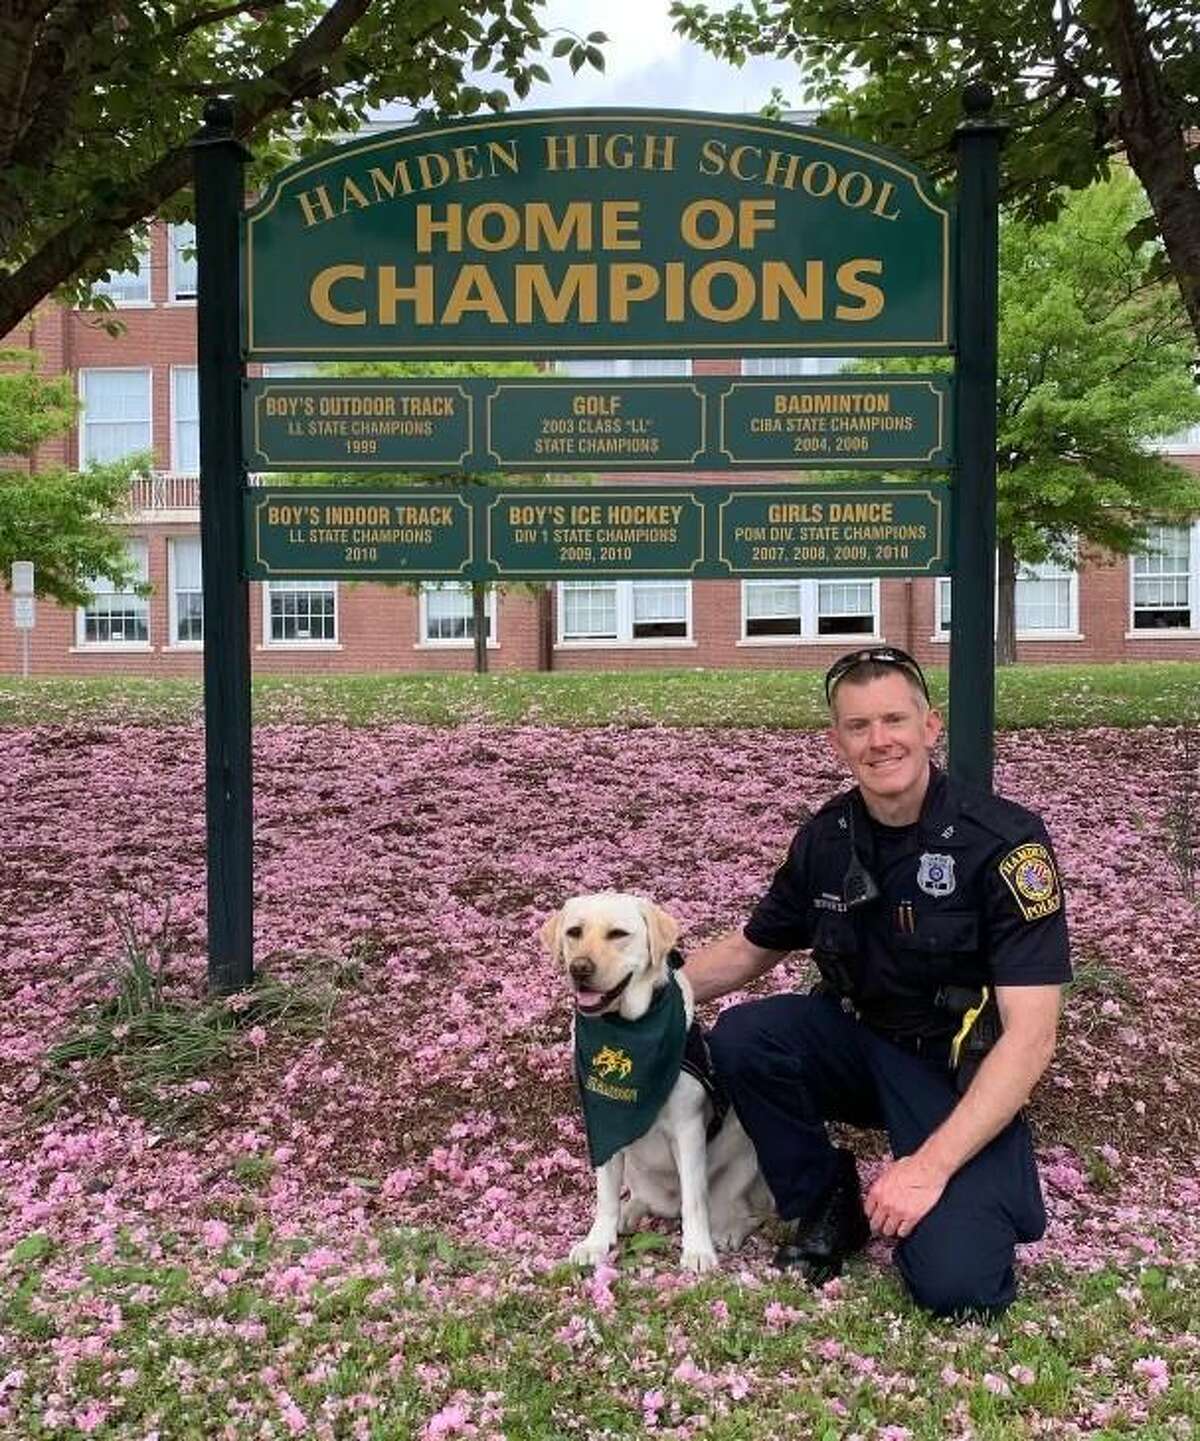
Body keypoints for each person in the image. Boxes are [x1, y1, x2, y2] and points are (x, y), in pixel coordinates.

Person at [682, 646, 1070, 1319]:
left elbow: (1032, 1037)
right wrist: (639, 999)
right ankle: (826, 1200)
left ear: (930, 726)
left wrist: (928, 1167)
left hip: (953, 1074)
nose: (878, 739)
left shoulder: (1004, 843)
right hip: (859, 1045)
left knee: (958, 1287)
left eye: (894, 718)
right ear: (836, 742)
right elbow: (751, 950)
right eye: (858, 726)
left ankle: (956, 1182)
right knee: (748, 1034)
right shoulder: (825, 838)